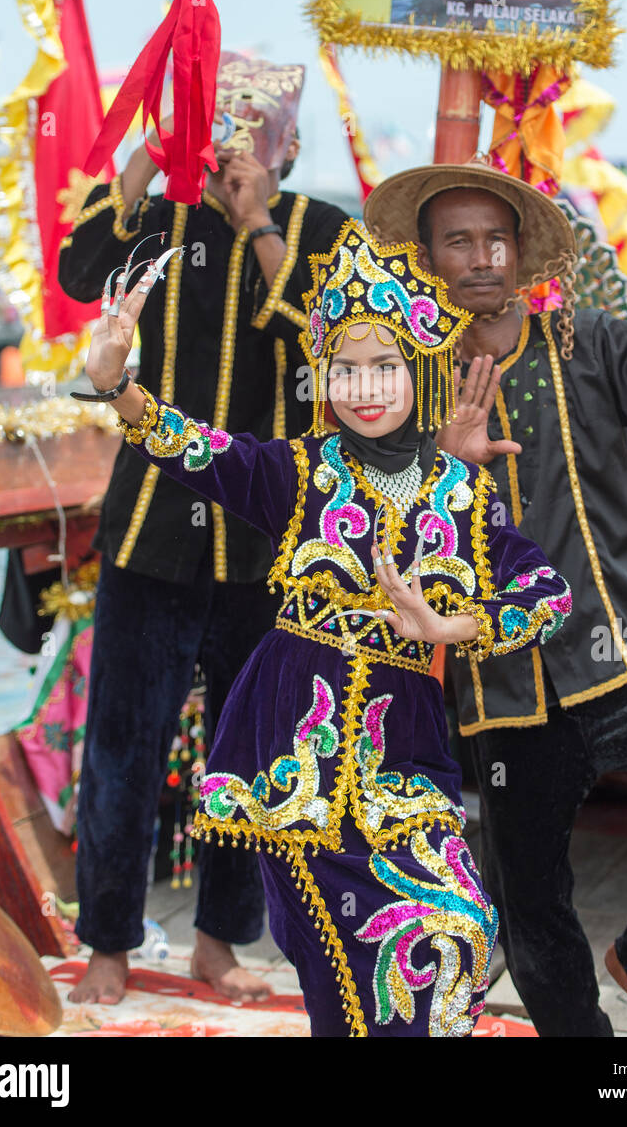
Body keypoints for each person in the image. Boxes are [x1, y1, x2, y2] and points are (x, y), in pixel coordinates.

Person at [77, 216, 572, 1036]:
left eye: (383, 366)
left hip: (404, 758)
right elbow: (194, 449)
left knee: (456, 926)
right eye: (344, 368)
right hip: (291, 753)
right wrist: (117, 386)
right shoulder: (296, 471)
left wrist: (452, 629)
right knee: (333, 958)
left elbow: (547, 594)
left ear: (418, 369)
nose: (363, 386)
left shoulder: (464, 494)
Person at [365, 160, 627, 1038]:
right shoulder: (403, 389)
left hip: (622, 648)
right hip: (501, 676)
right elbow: (380, 540)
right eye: (458, 242)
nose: (480, 257)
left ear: (519, 253)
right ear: (428, 260)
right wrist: (442, 467)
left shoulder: (594, 342)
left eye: (495, 239)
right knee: (529, 907)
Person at [57, 56, 348, 1005]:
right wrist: (147, 158)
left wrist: (259, 219)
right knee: (122, 742)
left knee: (252, 752)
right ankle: (105, 940)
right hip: (151, 524)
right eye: (219, 124)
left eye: (257, 130)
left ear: (291, 149)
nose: (234, 144)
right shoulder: (165, 222)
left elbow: (331, 339)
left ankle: (221, 941)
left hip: (268, 533)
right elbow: (75, 271)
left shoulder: (319, 230)